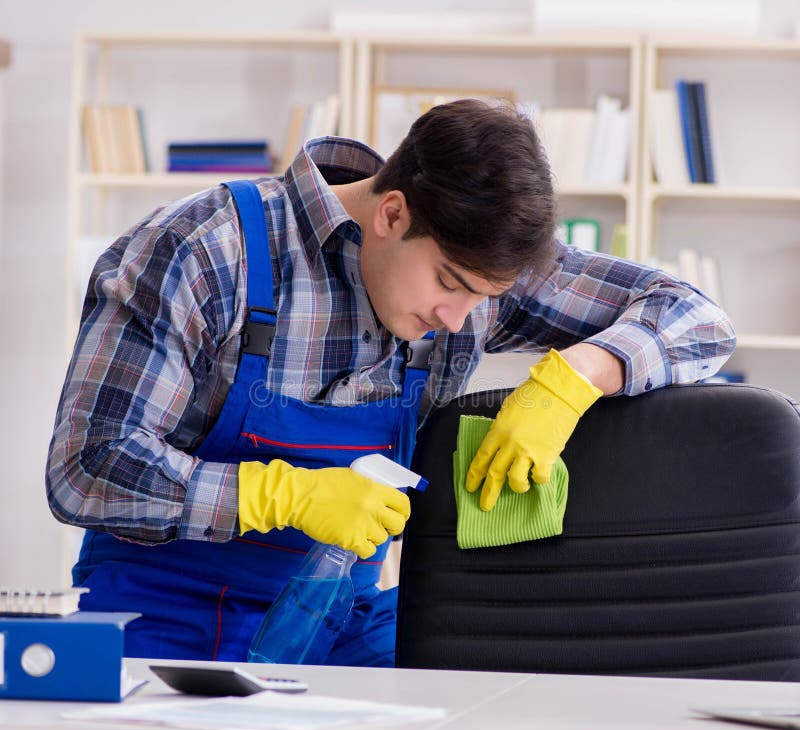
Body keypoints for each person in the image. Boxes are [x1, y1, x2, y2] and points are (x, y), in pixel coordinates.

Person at [46, 99, 735, 666]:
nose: (457, 319)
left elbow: (697, 318)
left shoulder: (477, 282)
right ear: (392, 213)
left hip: (342, 618)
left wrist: (575, 376)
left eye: (481, 297)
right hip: (167, 618)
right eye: (449, 284)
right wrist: (279, 492)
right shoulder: (202, 249)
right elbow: (87, 467)